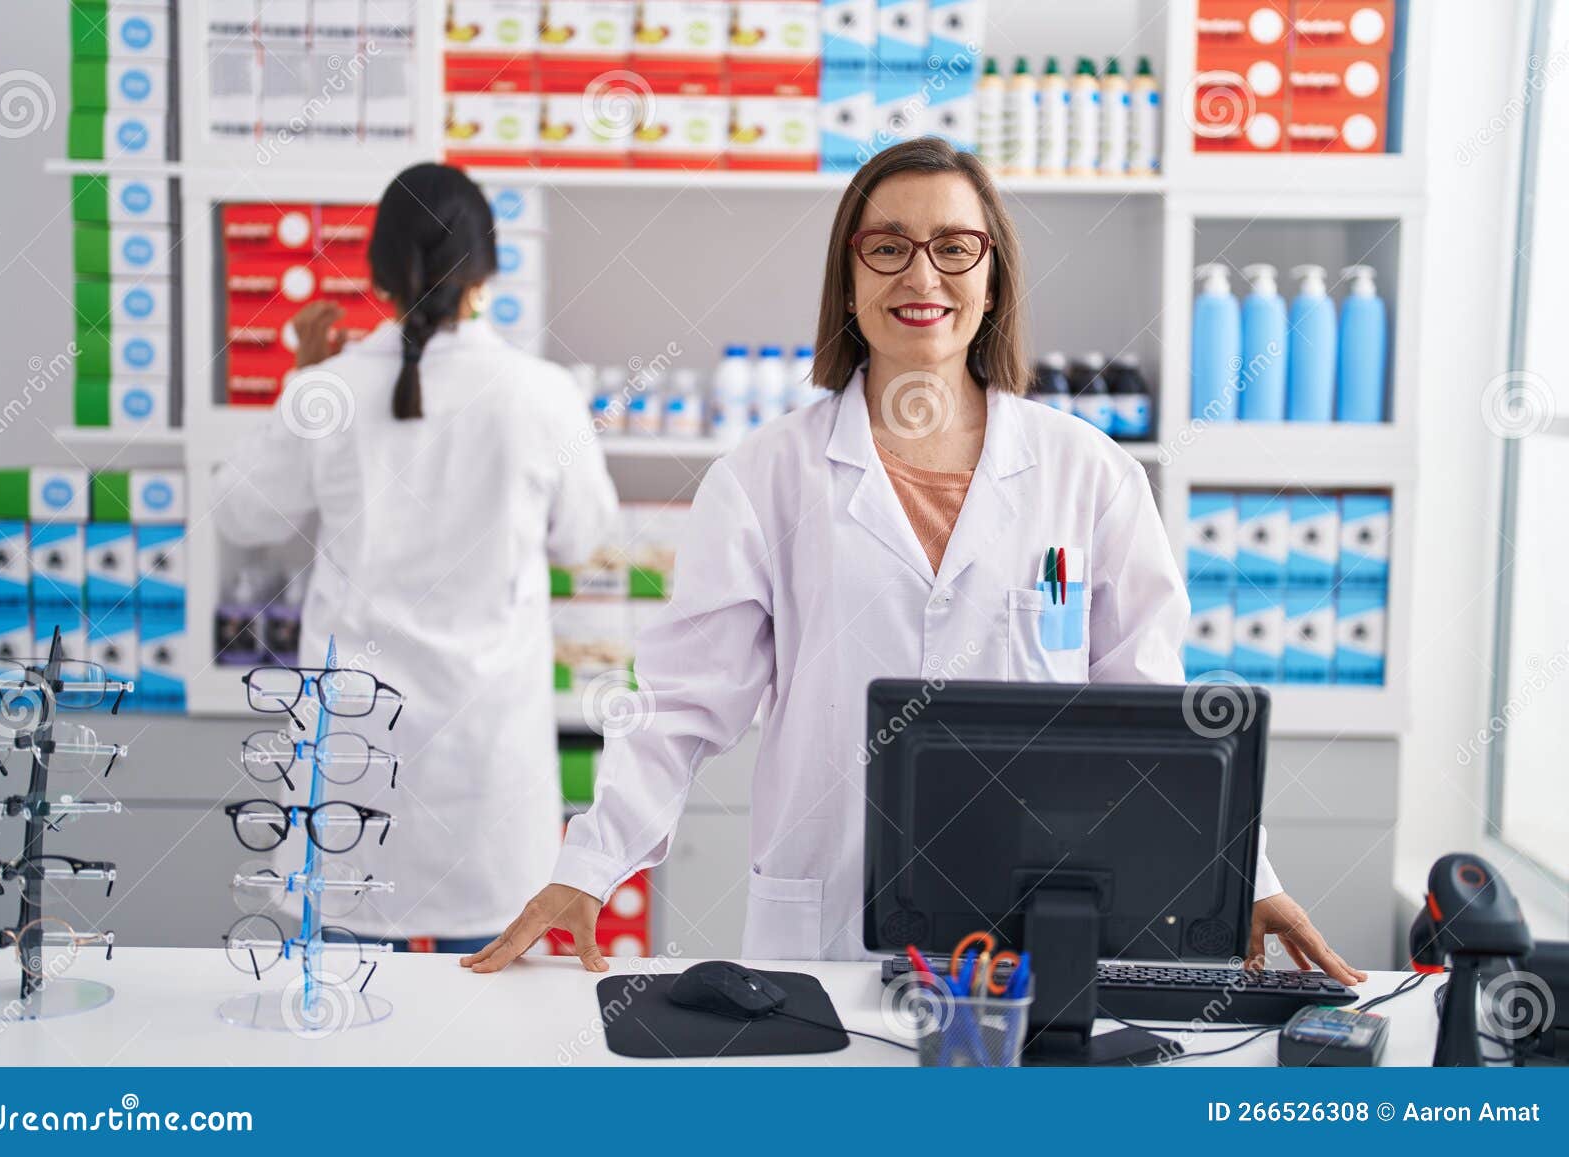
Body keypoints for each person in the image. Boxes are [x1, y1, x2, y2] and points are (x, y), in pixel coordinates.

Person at [464, 138, 1366, 985]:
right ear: (849, 278)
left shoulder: (1091, 474)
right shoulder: (765, 477)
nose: (922, 275)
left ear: (994, 278)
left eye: (955, 247)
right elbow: (680, 703)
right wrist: (589, 863)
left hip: (1032, 928)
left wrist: (1244, 878)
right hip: (828, 929)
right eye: (888, 247)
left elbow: (1154, 712)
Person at [212, 163, 617, 954]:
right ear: (488, 269)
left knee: (345, 1009)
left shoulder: (330, 388)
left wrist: (303, 380)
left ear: (378, 273)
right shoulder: (541, 394)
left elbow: (241, 512)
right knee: (491, 1006)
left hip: (355, 762)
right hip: (486, 762)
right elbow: (581, 538)